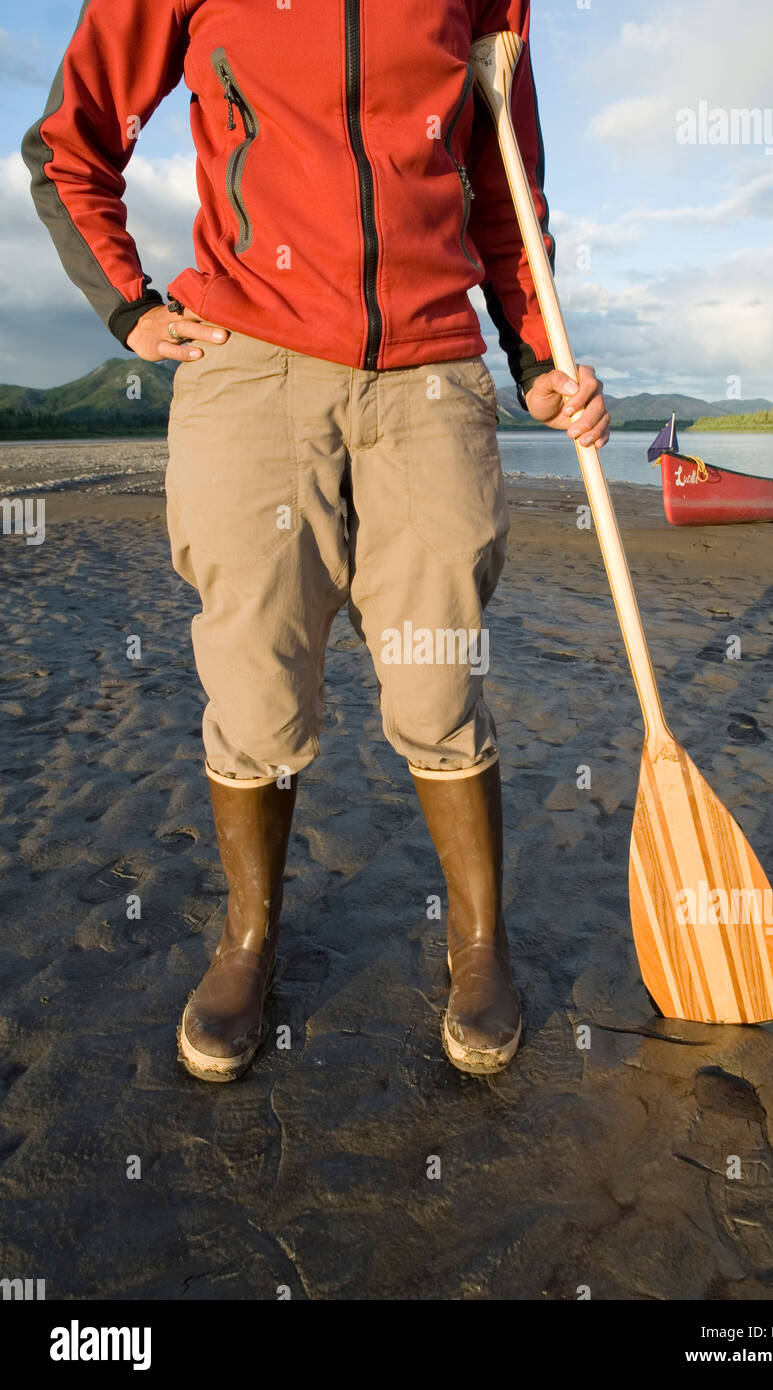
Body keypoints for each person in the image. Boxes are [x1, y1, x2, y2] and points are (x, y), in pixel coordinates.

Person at [22, 0, 609, 1082]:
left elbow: (508, 192)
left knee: (438, 682)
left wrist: (535, 359)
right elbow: (71, 139)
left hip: (431, 374)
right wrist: (127, 305)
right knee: (253, 685)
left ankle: (478, 944)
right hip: (250, 365)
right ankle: (248, 942)